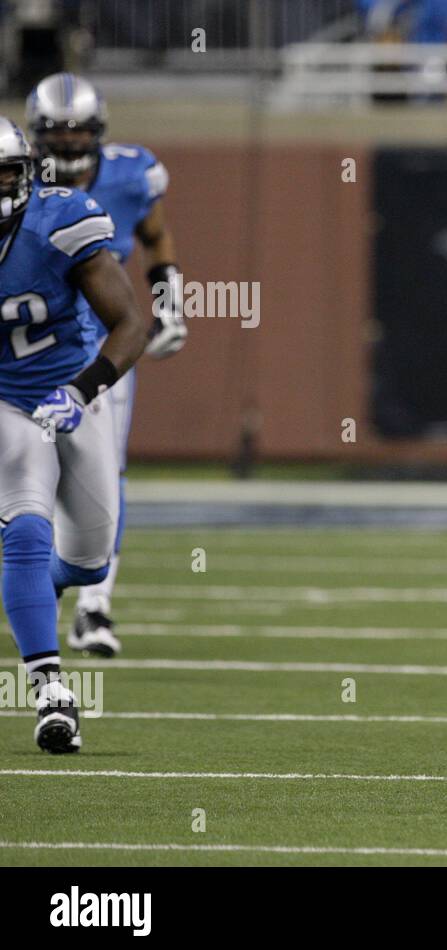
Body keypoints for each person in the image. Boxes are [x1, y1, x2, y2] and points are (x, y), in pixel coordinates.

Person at [0, 117, 151, 753]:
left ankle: (28, 581)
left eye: (9, 173)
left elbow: (130, 323)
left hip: (70, 391)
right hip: (6, 401)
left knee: (89, 558)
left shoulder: (58, 222)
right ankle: (50, 691)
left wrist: (81, 390)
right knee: (27, 522)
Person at [27, 73, 188, 658]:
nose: (69, 144)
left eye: (79, 132)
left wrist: (169, 306)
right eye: (56, 133)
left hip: (103, 351)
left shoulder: (130, 175)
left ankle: (93, 605)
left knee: (103, 478)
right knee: (26, 484)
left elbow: (157, 237)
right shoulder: (17, 177)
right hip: (27, 349)